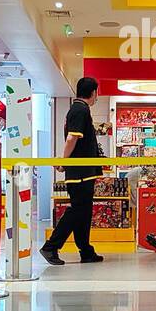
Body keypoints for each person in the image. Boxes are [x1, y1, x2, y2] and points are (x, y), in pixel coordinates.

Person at [40, 76, 105, 265]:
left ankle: (85, 250)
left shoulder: (78, 109)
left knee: (84, 212)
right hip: (80, 173)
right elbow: (71, 139)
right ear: (93, 92)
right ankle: (51, 246)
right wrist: (64, 162)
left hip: (83, 171)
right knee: (78, 210)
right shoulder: (80, 110)